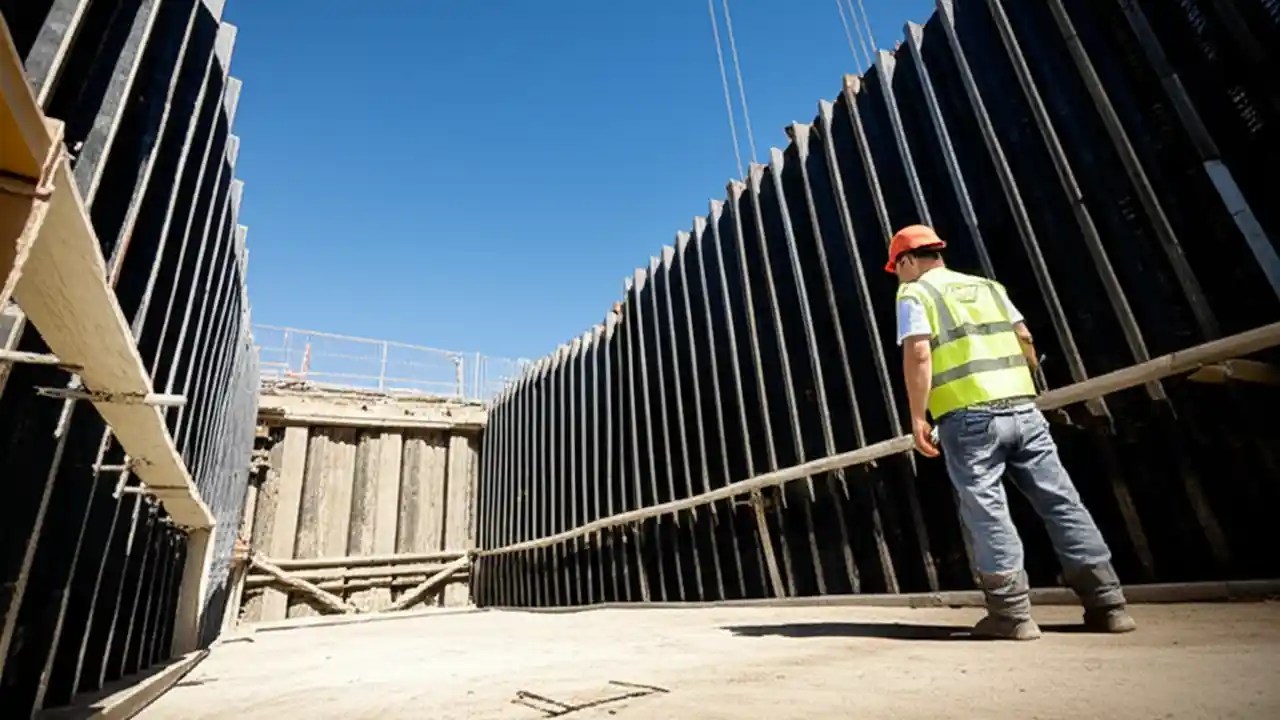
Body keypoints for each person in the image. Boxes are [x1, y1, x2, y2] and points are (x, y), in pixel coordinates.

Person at [888, 224, 1136, 640]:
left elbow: (918, 351)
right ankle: (1108, 604)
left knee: (986, 509)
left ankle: (1011, 615)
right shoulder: (988, 286)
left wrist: (917, 418)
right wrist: (1025, 382)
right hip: (1023, 407)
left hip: (967, 417)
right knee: (1061, 501)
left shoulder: (914, 293)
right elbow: (1024, 337)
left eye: (896, 268)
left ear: (909, 261)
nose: (897, 276)